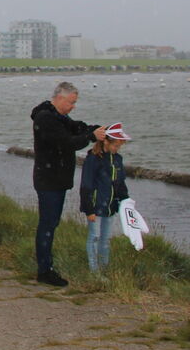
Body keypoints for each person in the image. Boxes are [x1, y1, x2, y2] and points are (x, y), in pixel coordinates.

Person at [30, 81, 106, 287]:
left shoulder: (59, 117)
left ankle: (46, 267)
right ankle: (45, 270)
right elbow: (67, 143)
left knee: (51, 223)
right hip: (48, 179)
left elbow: (76, 127)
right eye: (71, 102)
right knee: (48, 224)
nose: (73, 106)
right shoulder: (46, 119)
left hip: (57, 179)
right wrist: (91, 137)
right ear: (61, 98)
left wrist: (95, 129)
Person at [80, 122, 132, 272]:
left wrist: (125, 200)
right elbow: (86, 186)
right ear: (106, 141)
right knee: (94, 237)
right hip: (95, 207)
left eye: (120, 146)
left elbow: (120, 183)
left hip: (110, 207)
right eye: (116, 145)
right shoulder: (93, 159)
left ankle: (104, 269)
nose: (118, 148)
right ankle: (94, 271)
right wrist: (89, 210)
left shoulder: (117, 159)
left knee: (105, 239)